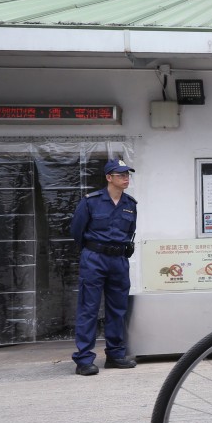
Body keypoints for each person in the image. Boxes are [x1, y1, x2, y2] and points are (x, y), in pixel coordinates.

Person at [70, 158, 138, 375]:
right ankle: (84, 360)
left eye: (127, 174)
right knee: (88, 308)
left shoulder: (130, 205)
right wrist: (92, 251)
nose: (126, 178)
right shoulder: (91, 201)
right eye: (121, 175)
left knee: (118, 309)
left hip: (119, 260)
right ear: (109, 178)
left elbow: (130, 233)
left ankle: (115, 354)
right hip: (94, 258)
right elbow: (77, 231)